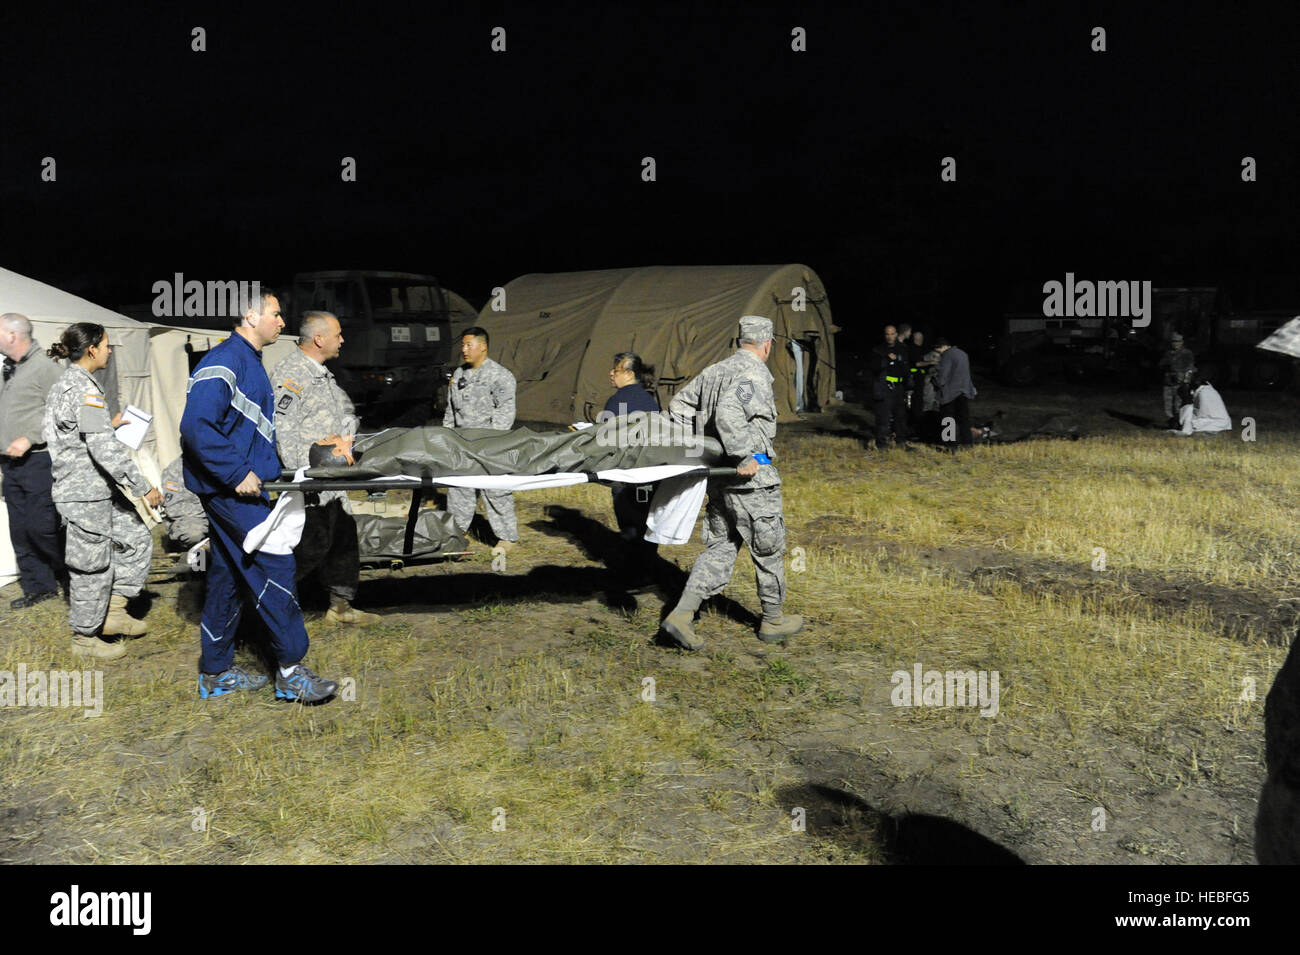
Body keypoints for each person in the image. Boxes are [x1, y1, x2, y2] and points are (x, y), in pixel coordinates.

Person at [180, 289, 338, 703]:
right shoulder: (224, 361)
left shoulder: (248, 360)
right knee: (275, 567)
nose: (283, 322)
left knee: (228, 577)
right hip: (231, 491)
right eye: (276, 314)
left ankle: (215, 672)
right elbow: (196, 427)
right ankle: (290, 671)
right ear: (250, 316)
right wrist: (236, 472)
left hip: (236, 487)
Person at [660, 315, 803, 650]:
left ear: (741, 340)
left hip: (720, 480)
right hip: (751, 482)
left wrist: (706, 448)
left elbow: (679, 407)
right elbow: (728, 412)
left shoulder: (716, 371)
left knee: (721, 547)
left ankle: (682, 615)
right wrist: (742, 454)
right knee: (768, 549)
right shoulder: (750, 375)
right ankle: (773, 620)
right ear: (767, 344)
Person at [42, 323, 163, 660]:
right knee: (91, 566)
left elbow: (73, 436)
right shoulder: (83, 389)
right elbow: (103, 451)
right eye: (107, 346)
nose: (111, 351)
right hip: (84, 495)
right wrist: (143, 488)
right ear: (92, 349)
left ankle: (113, 612)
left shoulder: (69, 384)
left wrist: (108, 426)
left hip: (94, 490)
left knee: (136, 538)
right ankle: (84, 639)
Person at [272, 311, 378, 625]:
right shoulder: (291, 374)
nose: (342, 339)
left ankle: (340, 607)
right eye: (338, 334)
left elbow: (343, 412)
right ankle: (270, 606)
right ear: (319, 339)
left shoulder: (323, 374)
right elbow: (282, 428)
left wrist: (348, 433)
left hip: (333, 475)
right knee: (311, 543)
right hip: (312, 479)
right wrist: (299, 476)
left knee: (344, 536)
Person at [0, 312, 65, 609]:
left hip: (39, 460)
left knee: (42, 526)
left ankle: (77, 573)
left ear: (12, 335)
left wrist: (30, 436)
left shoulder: (44, 367)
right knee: (20, 529)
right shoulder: (11, 370)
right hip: (11, 465)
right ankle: (39, 588)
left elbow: (62, 410)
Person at [442, 326, 518, 550]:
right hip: (461, 443)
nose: (464, 349)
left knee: (495, 490)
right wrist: (446, 436)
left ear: (483, 347)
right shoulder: (458, 374)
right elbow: (451, 410)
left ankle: (507, 538)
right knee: (459, 489)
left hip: (489, 445)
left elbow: (505, 414)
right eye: (462, 345)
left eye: (469, 345)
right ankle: (456, 532)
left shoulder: (500, 376)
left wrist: (490, 442)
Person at [602, 352, 660, 588]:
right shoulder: (650, 401)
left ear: (629, 373)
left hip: (625, 474)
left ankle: (631, 576)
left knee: (629, 525)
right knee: (646, 524)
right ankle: (648, 571)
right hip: (651, 473)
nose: (611, 374)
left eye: (615, 371)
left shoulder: (617, 401)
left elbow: (607, 438)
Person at [870, 325, 910, 449]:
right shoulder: (879, 350)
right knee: (883, 417)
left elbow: (907, 368)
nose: (890, 337)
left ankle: (901, 442)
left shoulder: (902, 349)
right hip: (885, 386)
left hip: (899, 387)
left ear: (896, 334)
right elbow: (874, 368)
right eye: (887, 334)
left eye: (892, 334)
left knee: (900, 416)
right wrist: (886, 359)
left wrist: (909, 385)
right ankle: (881, 445)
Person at [935, 337, 977, 448]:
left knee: (948, 419)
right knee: (964, 419)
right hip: (964, 391)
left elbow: (943, 376)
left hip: (950, 393)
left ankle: (950, 445)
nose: (938, 353)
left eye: (938, 350)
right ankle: (967, 442)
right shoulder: (963, 354)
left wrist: (936, 381)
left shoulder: (947, 355)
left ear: (943, 347)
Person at [159, 456, 208, 550]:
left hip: (221, 513)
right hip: (194, 518)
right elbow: (173, 509)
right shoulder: (174, 470)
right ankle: (193, 551)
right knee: (194, 533)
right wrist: (206, 511)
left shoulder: (220, 461)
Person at [1158, 332, 1196, 429]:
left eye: (1178, 341)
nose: (1175, 344)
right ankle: (1171, 422)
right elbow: (1161, 364)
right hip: (1168, 382)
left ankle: (1179, 423)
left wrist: (1186, 381)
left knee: (1178, 405)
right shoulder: (1168, 353)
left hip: (1180, 383)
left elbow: (1190, 368)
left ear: (1182, 342)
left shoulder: (1187, 353)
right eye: (1174, 342)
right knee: (1168, 404)